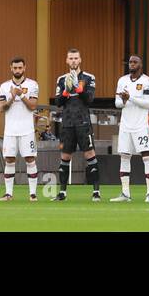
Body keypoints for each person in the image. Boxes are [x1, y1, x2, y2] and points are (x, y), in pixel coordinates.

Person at [53, 48, 99, 201]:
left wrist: (79, 90)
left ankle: (96, 192)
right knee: (65, 157)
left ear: (80, 60)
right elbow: (58, 102)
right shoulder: (61, 79)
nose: (73, 61)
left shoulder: (88, 78)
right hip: (67, 123)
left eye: (75, 58)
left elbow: (90, 99)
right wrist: (66, 91)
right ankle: (62, 193)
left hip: (83, 122)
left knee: (90, 155)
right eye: (70, 58)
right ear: (67, 61)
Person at [110, 54, 149, 203]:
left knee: (146, 156)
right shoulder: (122, 80)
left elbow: (148, 104)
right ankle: (125, 193)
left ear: (140, 65)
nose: (131, 64)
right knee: (124, 156)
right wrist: (123, 100)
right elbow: (117, 103)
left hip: (140, 125)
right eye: (130, 62)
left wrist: (130, 97)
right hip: (125, 125)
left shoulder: (147, 81)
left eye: (135, 62)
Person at [0, 56, 40, 202]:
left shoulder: (33, 84)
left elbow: (33, 106)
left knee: (30, 159)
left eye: (20, 67)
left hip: (27, 129)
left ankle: (33, 194)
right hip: (10, 130)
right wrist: (11, 96)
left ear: (24, 68)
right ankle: (8, 193)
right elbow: (2, 108)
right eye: (15, 68)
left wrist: (21, 95)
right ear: (11, 68)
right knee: (9, 160)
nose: (17, 70)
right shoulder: (4, 86)